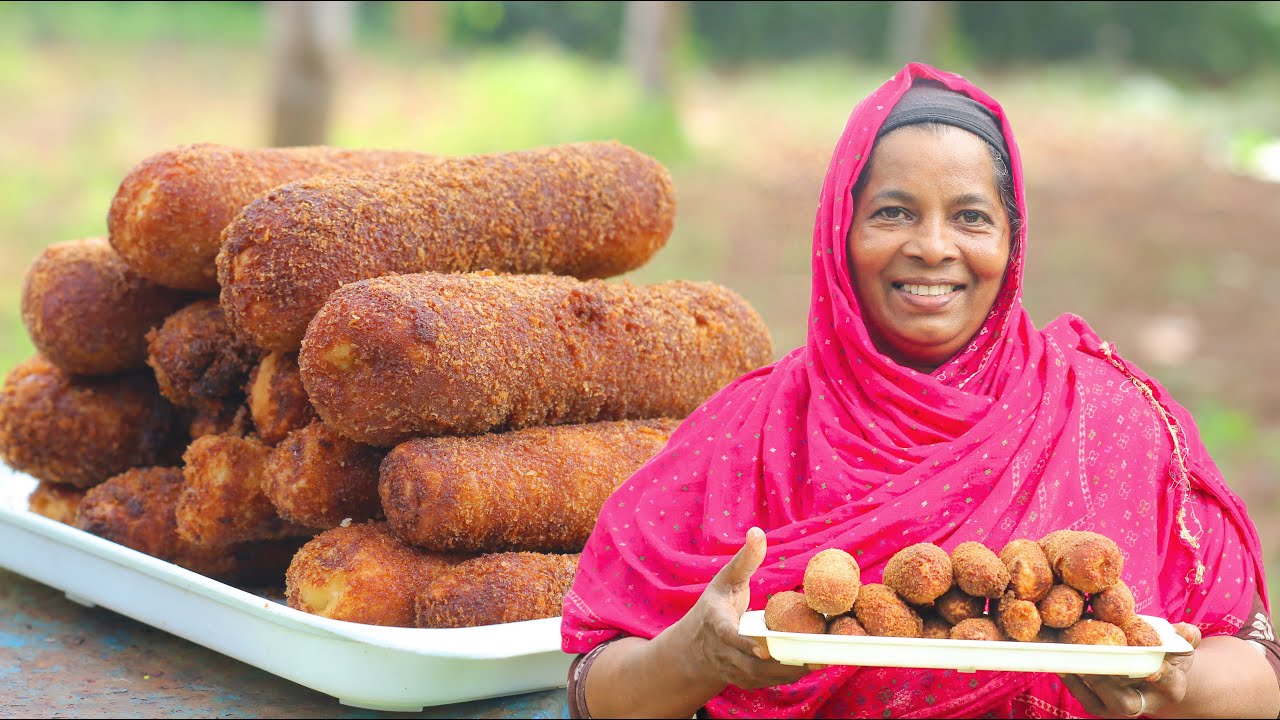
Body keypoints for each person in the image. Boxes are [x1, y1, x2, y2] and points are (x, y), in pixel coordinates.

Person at [559, 62, 1280, 718]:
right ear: (839, 234)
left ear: (1012, 242)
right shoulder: (750, 432)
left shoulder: (1108, 420)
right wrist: (691, 659)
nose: (933, 247)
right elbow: (594, 689)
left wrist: (1175, 687)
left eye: (970, 217)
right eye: (894, 213)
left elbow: (1257, 673)